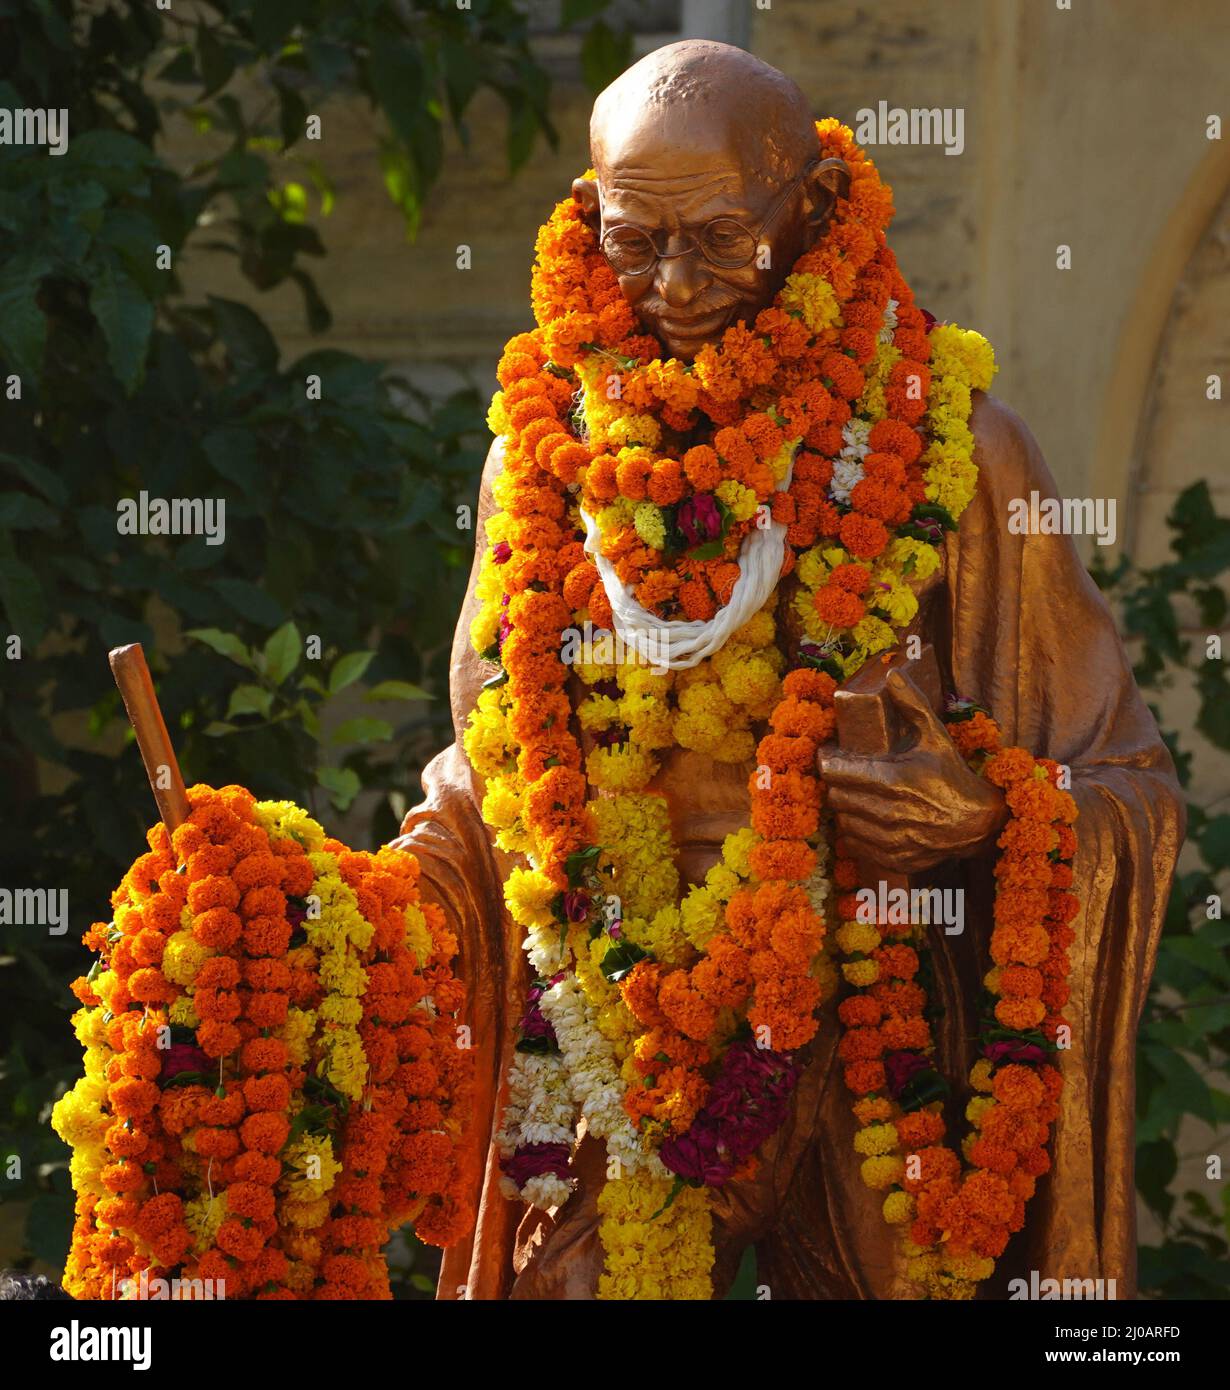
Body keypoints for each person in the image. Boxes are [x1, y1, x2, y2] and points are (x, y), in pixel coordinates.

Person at [392, 40, 1184, 1300]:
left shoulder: (953, 447)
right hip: (618, 1035)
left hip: (882, 1036)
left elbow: (1128, 781)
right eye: (635, 242)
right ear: (587, 222)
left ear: (813, 206)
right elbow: (494, 768)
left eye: (717, 237)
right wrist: (361, 908)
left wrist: (991, 817)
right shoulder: (540, 464)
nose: (674, 283)